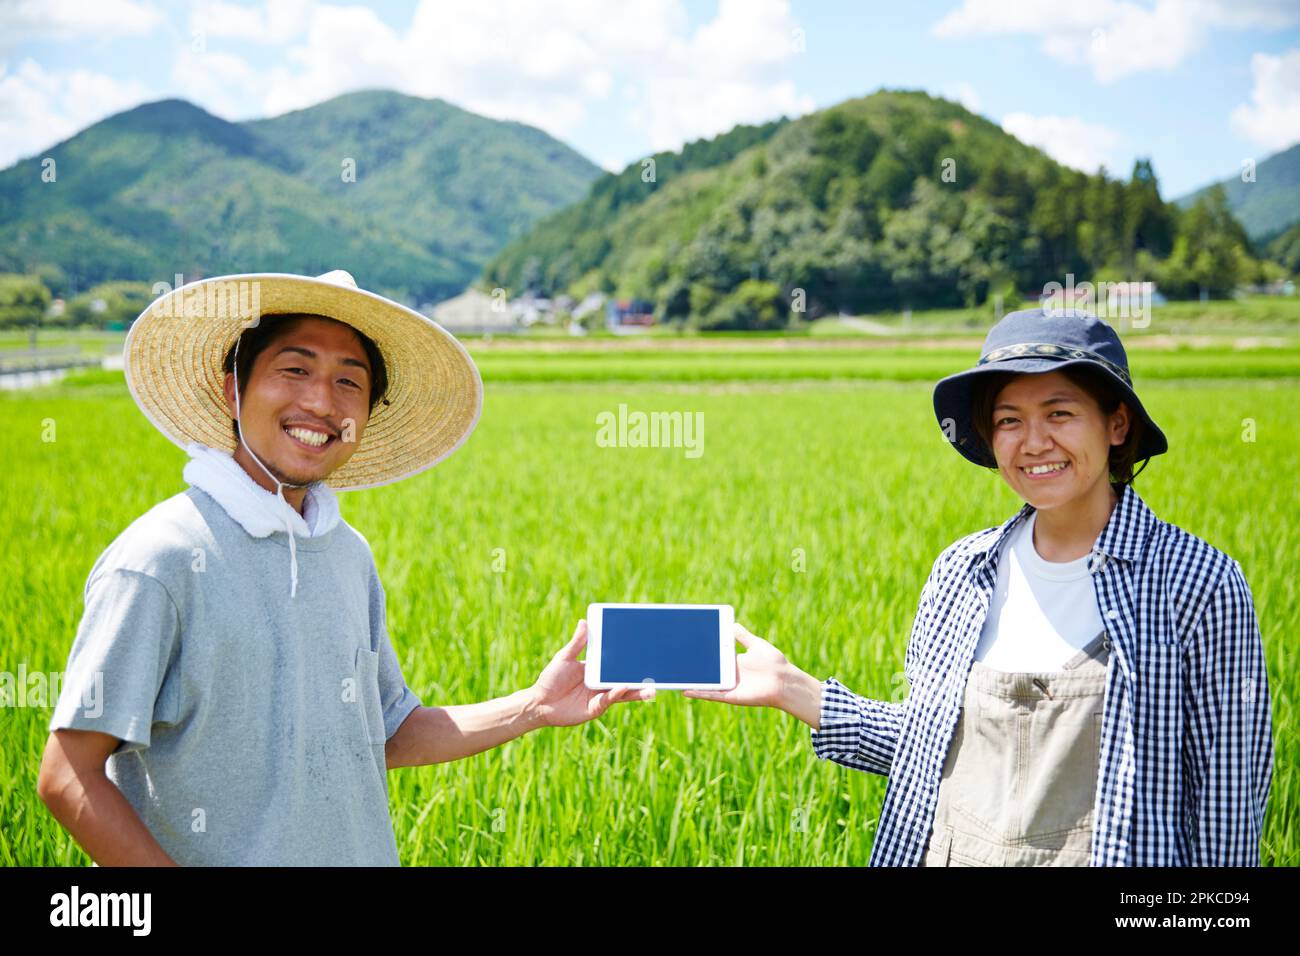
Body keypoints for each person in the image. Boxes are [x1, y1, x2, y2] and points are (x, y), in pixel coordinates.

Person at [38, 269, 653, 866]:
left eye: (348, 383)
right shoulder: (160, 559)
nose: (319, 402)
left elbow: (386, 733)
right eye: (295, 369)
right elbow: (68, 776)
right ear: (234, 387)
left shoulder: (345, 552)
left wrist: (534, 707)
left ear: (368, 412)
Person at [685, 307, 1274, 866]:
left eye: (1060, 413)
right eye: (1009, 420)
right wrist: (794, 689)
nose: (1034, 442)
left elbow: (1227, 802)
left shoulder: (1196, 582)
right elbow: (935, 748)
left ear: (1117, 423)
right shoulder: (962, 571)